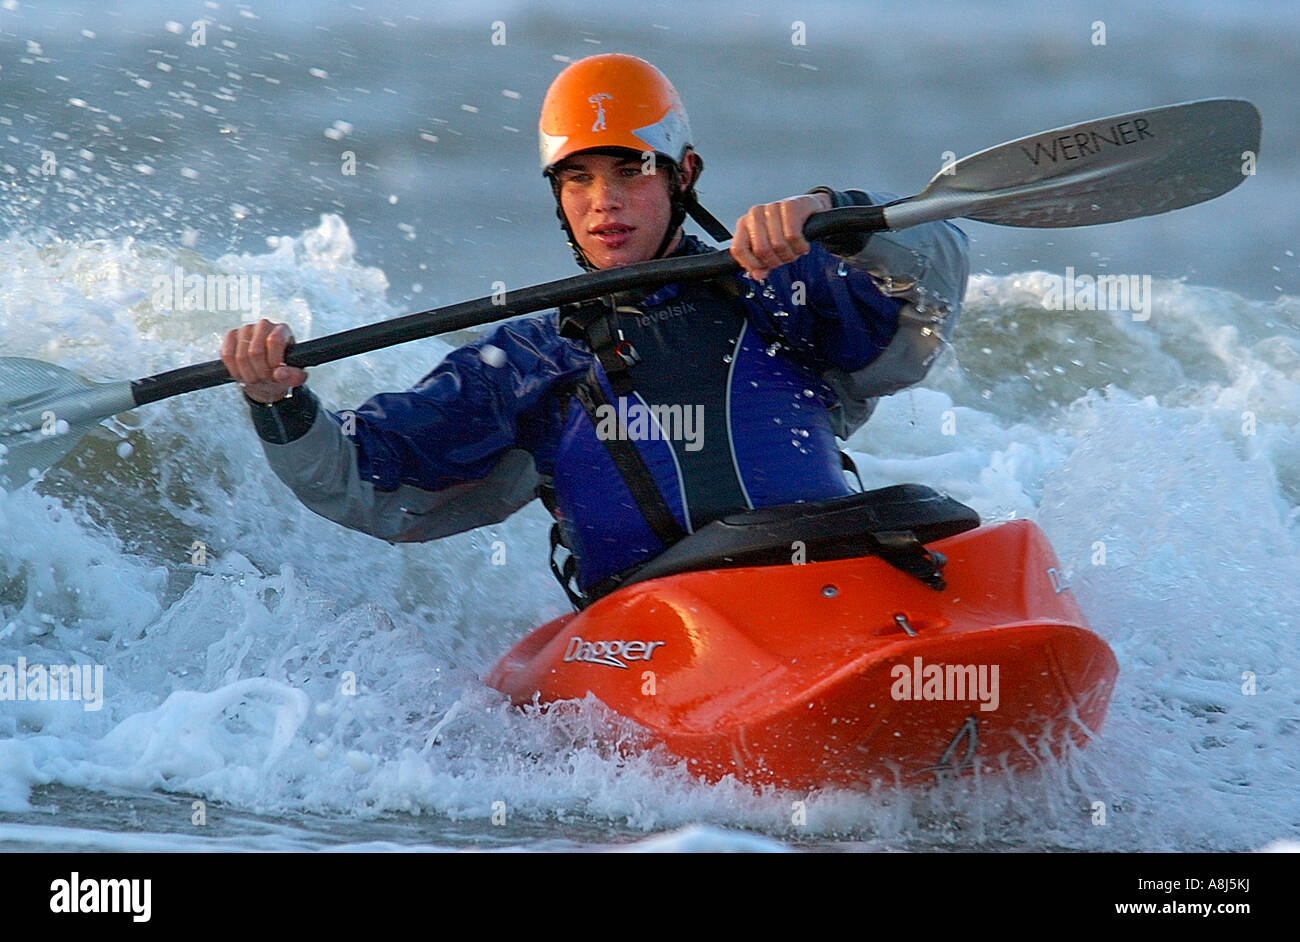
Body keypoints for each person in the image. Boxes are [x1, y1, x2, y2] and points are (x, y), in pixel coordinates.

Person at [220, 53, 969, 607]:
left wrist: (836, 217)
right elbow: (364, 482)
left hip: (826, 590)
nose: (603, 201)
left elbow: (932, 283)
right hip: (663, 631)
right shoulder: (527, 362)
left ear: (684, 175)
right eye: (577, 177)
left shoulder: (782, 290)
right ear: (557, 194)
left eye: (630, 169)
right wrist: (280, 402)